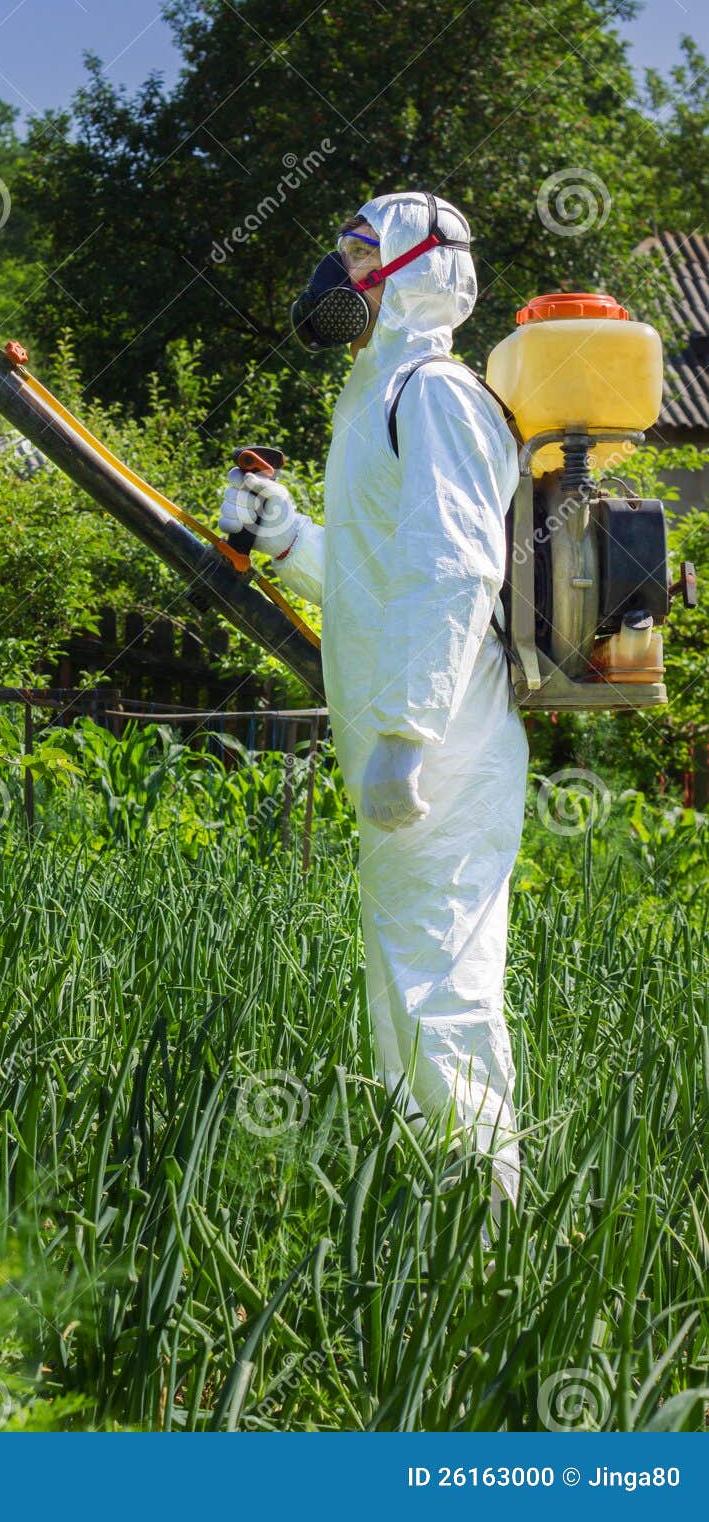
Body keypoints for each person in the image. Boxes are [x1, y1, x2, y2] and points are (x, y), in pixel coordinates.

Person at [220, 190, 527, 1213]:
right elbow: (373, 583)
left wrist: (404, 735)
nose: (339, 273)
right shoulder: (373, 394)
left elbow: (451, 573)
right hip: (404, 740)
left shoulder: (436, 390)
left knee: (444, 986)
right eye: (342, 248)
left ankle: (489, 1234)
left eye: (363, 251)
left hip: (446, 739)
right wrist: (288, 540)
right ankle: (431, 1212)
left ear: (419, 270)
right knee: (404, 984)